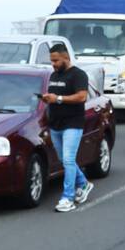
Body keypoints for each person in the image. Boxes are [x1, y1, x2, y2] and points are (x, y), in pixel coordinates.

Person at [40, 43, 92, 211]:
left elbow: (82, 96)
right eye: (51, 61)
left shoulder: (78, 75)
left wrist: (59, 99)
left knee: (69, 159)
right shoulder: (54, 75)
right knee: (63, 160)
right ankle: (83, 183)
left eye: (55, 60)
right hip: (55, 124)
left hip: (73, 123)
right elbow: (54, 98)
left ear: (66, 57)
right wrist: (47, 99)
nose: (53, 64)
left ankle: (67, 198)